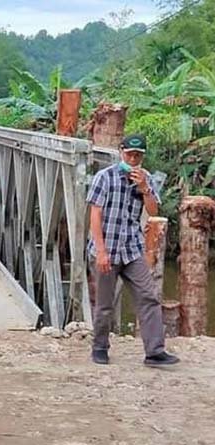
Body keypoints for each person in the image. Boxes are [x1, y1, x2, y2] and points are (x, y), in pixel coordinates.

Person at [87, 134, 179, 367]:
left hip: (132, 248)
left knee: (148, 296)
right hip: (107, 247)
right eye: (130, 155)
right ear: (121, 152)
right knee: (105, 303)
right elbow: (95, 215)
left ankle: (154, 351)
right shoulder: (104, 177)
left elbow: (153, 210)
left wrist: (144, 189)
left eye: (138, 156)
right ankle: (99, 347)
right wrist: (100, 250)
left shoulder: (145, 178)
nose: (134, 159)